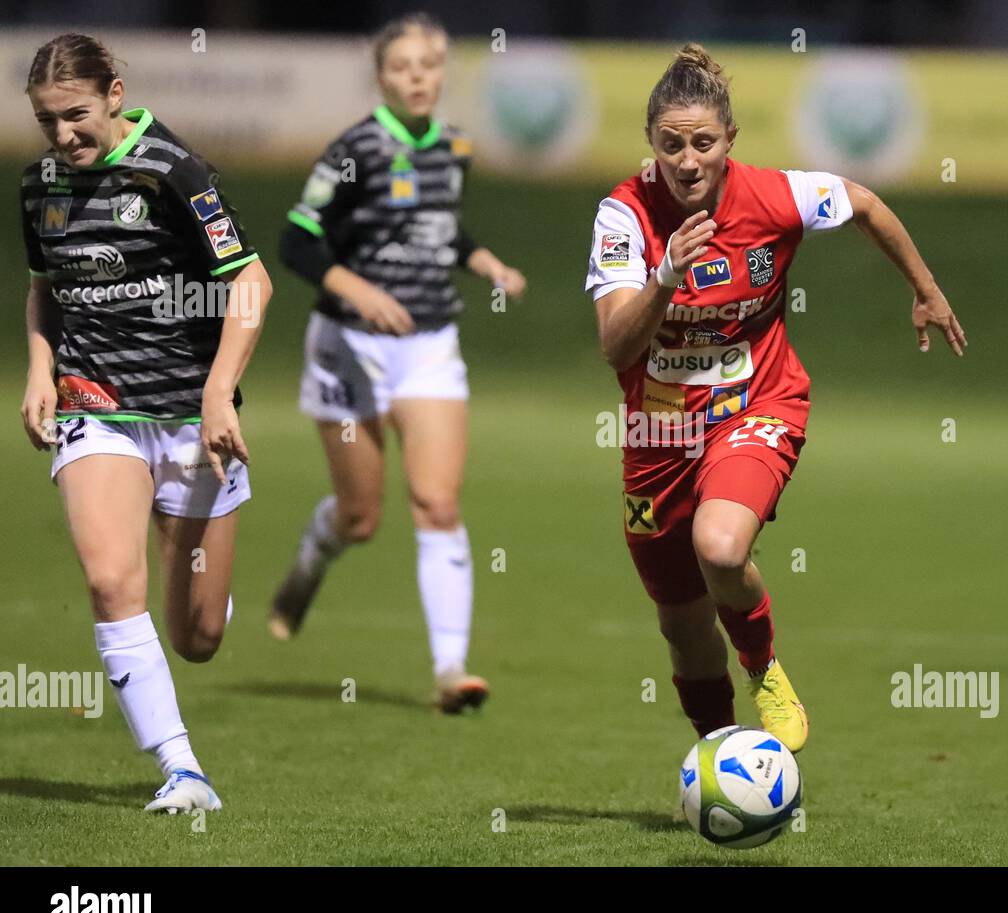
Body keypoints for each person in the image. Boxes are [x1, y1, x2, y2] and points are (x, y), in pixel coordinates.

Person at [585, 44, 965, 751]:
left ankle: (764, 671)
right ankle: (727, 756)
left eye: (703, 142)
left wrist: (926, 289)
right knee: (683, 626)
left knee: (721, 550)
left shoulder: (776, 196)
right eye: (672, 144)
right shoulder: (623, 216)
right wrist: (664, 275)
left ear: (730, 140)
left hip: (757, 408)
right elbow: (615, 347)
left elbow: (866, 204)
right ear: (651, 144)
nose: (688, 159)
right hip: (659, 438)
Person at [19, 33, 272, 811]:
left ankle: (192, 578)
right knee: (106, 579)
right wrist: (39, 368)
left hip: (192, 419)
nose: (64, 136)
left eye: (77, 115)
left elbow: (250, 280)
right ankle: (182, 770)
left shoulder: (174, 170)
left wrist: (219, 390)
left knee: (196, 638)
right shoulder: (39, 186)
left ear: (116, 94)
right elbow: (46, 286)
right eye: (47, 122)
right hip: (96, 406)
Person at [269, 13, 525, 713]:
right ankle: (311, 558)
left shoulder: (453, 146)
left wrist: (485, 262)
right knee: (361, 517)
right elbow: (296, 239)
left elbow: (442, 228)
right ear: (381, 75)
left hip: (430, 345)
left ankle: (451, 670)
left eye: (429, 65)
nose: (417, 77)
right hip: (349, 348)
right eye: (402, 66)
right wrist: (357, 289)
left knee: (437, 502)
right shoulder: (355, 149)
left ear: (443, 71)